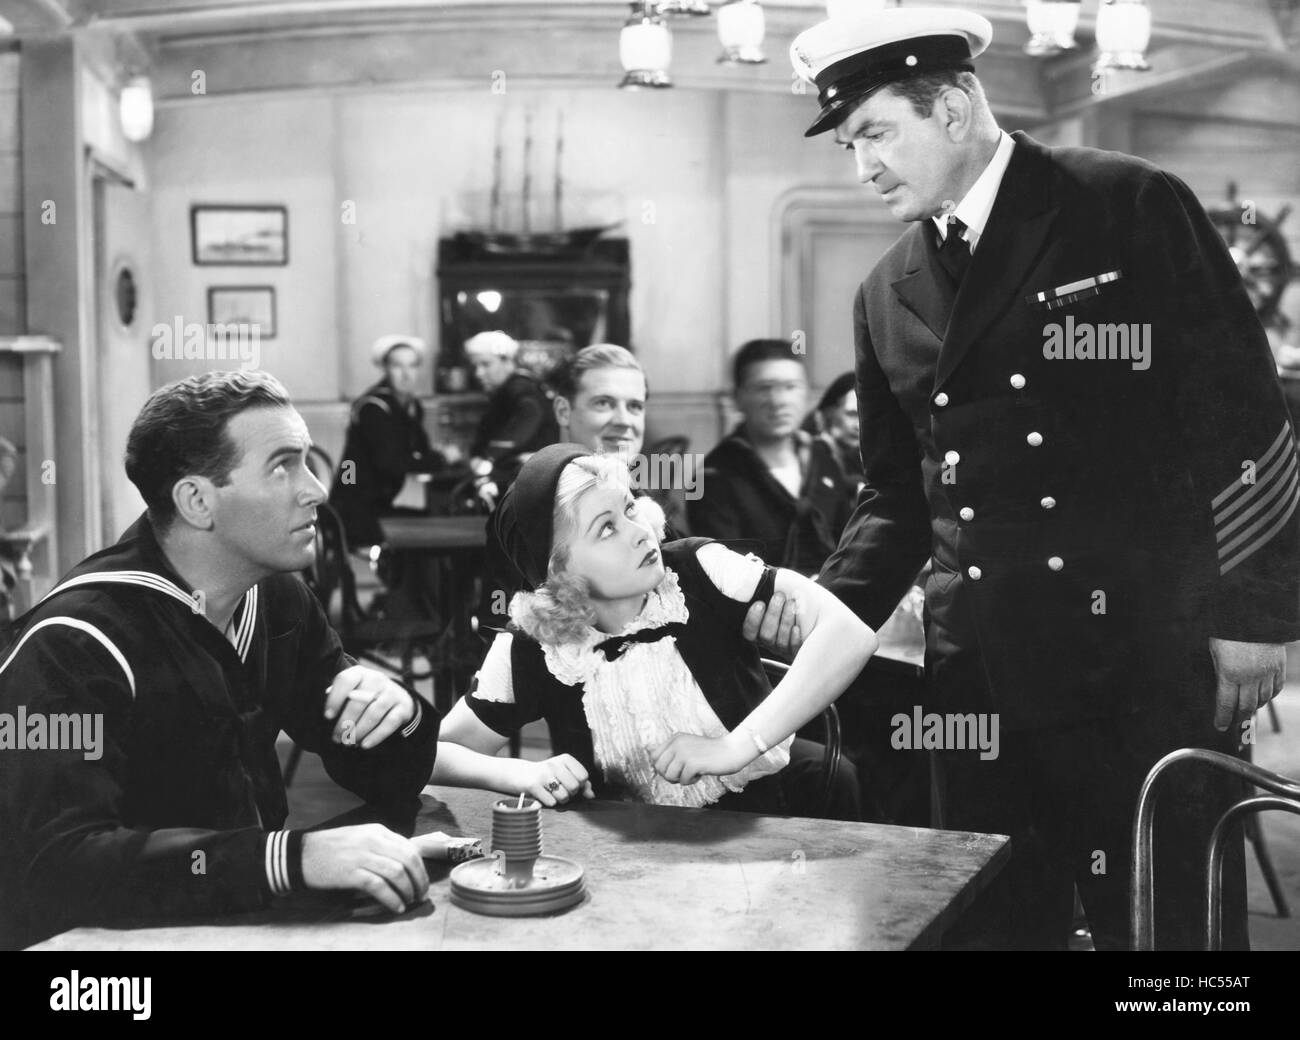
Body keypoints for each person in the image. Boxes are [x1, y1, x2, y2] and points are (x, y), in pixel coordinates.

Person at [775, 6, 1300, 949]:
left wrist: (1255, 615)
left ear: (956, 108)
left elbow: (1244, 419)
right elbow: (896, 500)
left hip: (1140, 661)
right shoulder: (884, 289)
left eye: (876, 133)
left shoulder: (1125, 204)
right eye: (850, 144)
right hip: (976, 683)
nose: (862, 167)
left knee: (1164, 933)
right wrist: (812, 614)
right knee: (996, 925)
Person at [0, 371, 441, 950]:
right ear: (198, 501)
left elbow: (381, 774)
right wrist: (288, 859)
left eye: (308, 461)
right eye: (283, 466)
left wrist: (399, 713)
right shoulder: (72, 643)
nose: (317, 490)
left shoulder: (276, 597)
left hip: (240, 925)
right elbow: (54, 868)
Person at [434, 444, 871, 819]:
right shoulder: (536, 644)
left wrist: (737, 746)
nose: (641, 532)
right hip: (630, 863)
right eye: (606, 528)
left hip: (768, 828)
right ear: (560, 573)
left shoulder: (697, 570)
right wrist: (520, 772)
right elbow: (435, 755)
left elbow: (850, 632)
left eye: (628, 507)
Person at [477, 343, 658, 634]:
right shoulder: (532, 507)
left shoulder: (640, 497)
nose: (624, 420)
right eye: (603, 403)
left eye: (634, 406)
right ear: (563, 411)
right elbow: (500, 619)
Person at [689, 339, 855, 574]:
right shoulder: (713, 478)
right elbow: (723, 577)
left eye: (791, 387)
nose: (779, 401)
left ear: (806, 393)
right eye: (764, 388)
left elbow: (848, 542)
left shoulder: (822, 458)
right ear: (738, 398)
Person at [329, 335, 459, 548]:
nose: (406, 374)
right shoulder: (373, 407)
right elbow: (391, 464)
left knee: (439, 522)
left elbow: (418, 450)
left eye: (412, 366)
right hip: (353, 510)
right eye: (397, 366)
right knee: (437, 529)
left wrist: (434, 456)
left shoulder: (411, 406)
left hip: (378, 505)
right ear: (385, 369)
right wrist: (442, 458)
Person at [464, 330, 558, 507]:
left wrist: (490, 457)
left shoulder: (518, 387)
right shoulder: (515, 387)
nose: (478, 373)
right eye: (475, 366)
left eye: (486, 364)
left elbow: (530, 413)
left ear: (507, 361)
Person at [807, 371, 864, 489]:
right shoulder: (812, 458)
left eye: (864, 417)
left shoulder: (856, 462)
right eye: (851, 414)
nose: (858, 426)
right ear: (829, 413)